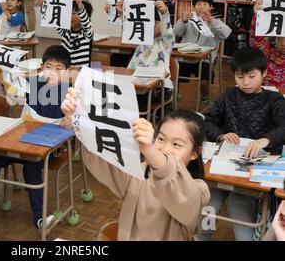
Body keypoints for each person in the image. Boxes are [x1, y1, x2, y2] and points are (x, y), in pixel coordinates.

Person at [61, 94, 210, 241]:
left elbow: (180, 192)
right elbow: (103, 158)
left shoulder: (199, 190)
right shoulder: (138, 173)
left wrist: (150, 150)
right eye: (161, 139)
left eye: (176, 144)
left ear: (195, 153)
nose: (165, 149)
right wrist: (80, 120)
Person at [200, 47, 285, 241]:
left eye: (251, 76)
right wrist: (221, 135)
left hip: (253, 174)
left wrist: (266, 139)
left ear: (264, 74)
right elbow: (207, 120)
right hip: (223, 167)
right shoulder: (229, 95)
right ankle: (203, 237)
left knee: (237, 206)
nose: (245, 82)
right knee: (209, 205)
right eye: (239, 76)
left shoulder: (274, 100)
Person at [0, 46, 71, 229]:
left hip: (50, 148)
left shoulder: (71, 93)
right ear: (42, 67)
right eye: (49, 66)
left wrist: (72, 121)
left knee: (31, 169)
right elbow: (13, 89)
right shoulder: (33, 82)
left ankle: (39, 217)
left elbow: (80, 120)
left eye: (59, 68)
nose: (53, 72)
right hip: (22, 140)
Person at [173, 0, 232, 104]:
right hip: (186, 56)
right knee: (175, 71)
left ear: (210, 7)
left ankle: (204, 96)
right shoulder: (189, 20)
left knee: (205, 79)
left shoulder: (215, 22)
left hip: (205, 59)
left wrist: (212, 21)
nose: (201, 7)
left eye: (205, 4)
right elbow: (176, 33)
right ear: (194, 6)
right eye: (198, 4)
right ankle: (176, 93)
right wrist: (182, 20)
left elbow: (226, 33)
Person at [126, 0, 175, 112]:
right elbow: (129, 28)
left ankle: (141, 120)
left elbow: (167, 31)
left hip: (160, 88)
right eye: (150, 23)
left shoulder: (166, 43)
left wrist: (164, 13)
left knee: (139, 99)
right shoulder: (140, 41)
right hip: (138, 84)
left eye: (157, 22)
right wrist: (120, 12)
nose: (153, 25)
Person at [36, 0, 94, 68]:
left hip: (81, 73)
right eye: (69, 13)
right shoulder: (66, 31)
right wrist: (44, 8)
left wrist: (80, 5)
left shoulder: (87, 33)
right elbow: (55, 21)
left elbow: (86, 22)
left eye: (74, 13)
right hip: (65, 71)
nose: (70, 16)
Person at [250, 0, 285, 89]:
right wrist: (258, 16)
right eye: (279, 39)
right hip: (265, 97)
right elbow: (256, 38)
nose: (283, 43)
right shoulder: (267, 52)